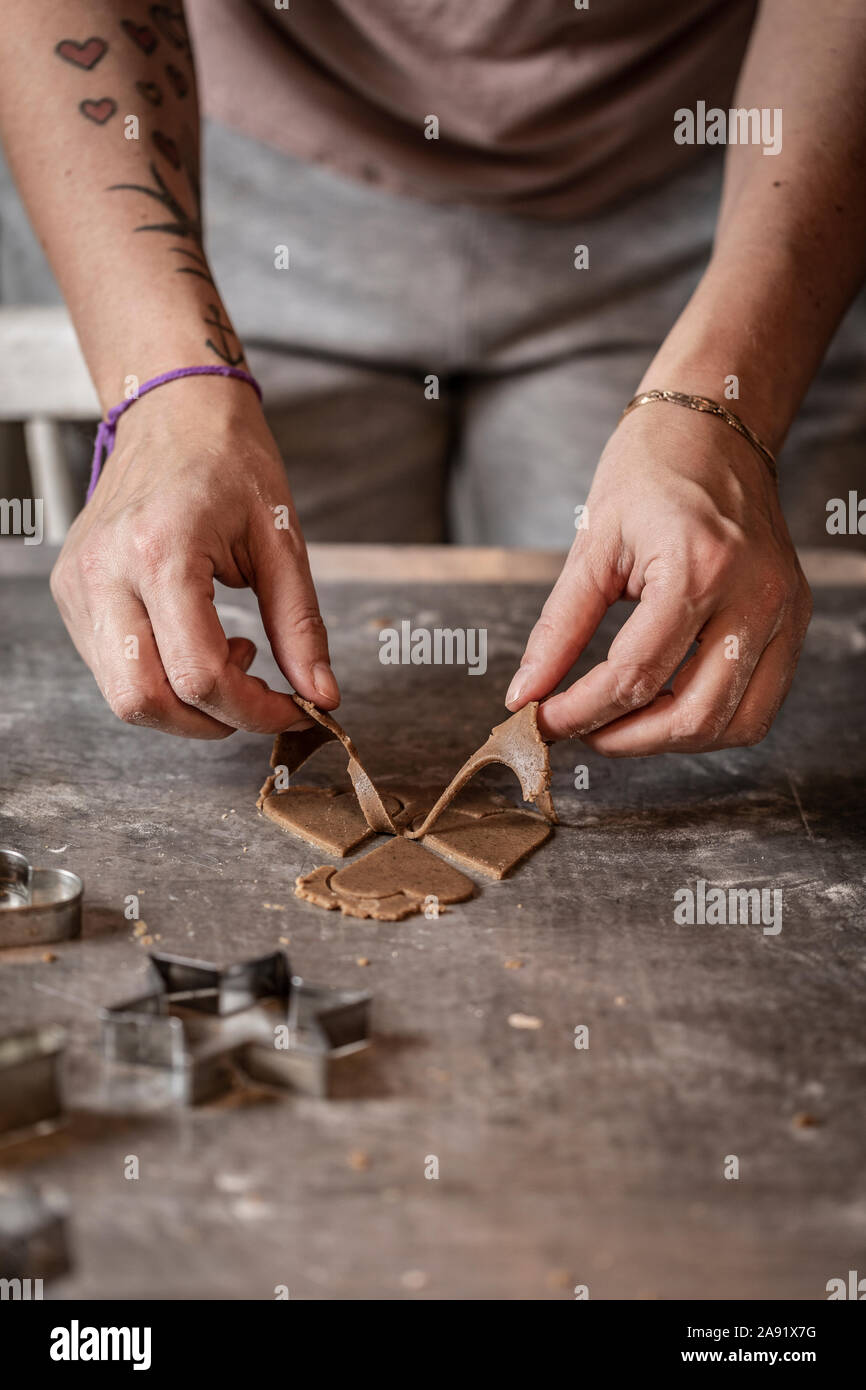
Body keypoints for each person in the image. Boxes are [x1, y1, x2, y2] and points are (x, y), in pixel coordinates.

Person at [1, 1, 863, 752]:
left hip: (726, 191)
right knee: (217, 683)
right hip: (220, 203)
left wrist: (722, 408)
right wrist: (168, 382)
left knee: (670, 677)